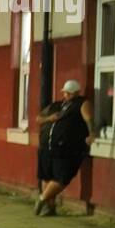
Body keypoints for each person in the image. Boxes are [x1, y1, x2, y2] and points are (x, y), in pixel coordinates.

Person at [34, 79, 94, 216]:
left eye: (69, 93)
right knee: (46, 176)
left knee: (61, 177)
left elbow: (88, 118)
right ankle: (50, 207)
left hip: (65, 148)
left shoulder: (81, 103)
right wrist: (50, 119)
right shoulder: (56, 105)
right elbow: (39, 118)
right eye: (65, 93)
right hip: (46, 146)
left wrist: (92, 133)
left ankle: (42, 199)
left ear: (76, 93)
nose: (65, 95)